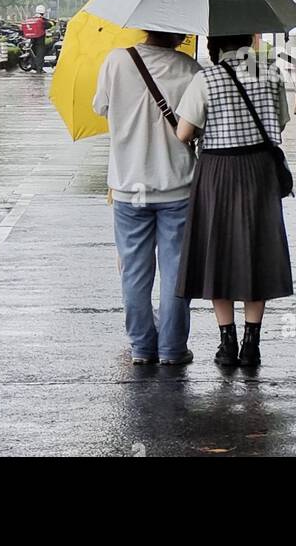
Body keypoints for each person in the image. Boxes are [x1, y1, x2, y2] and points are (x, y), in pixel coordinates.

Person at [175, 36, 292, 367]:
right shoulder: (270, 73)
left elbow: (184, 133)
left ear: (215, 45)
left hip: (218, 171)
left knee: (217, 250)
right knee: (258, 249)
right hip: (260, 170)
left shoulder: (206, 78)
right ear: (249, 41)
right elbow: (280, 122)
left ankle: (227, 343)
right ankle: (252, 343)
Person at [93, 31, 200, 366]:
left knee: (134, 273)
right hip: (177, 185)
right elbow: (197, 124)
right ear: (179, 32)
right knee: (176, 272)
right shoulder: (189, 69)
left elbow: (100, 107)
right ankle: (172, 349)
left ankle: (141, 346)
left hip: (128, 186)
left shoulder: (115, 60)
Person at [28, 4, 53, 73]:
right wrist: (52, 23)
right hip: (40, 39)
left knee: (33, 53)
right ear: (43, 12)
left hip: (32, 39)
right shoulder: (42, 20)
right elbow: (48, 25)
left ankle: (33, 67)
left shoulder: (32, 18)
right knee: (40, 55)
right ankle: (39, 69)